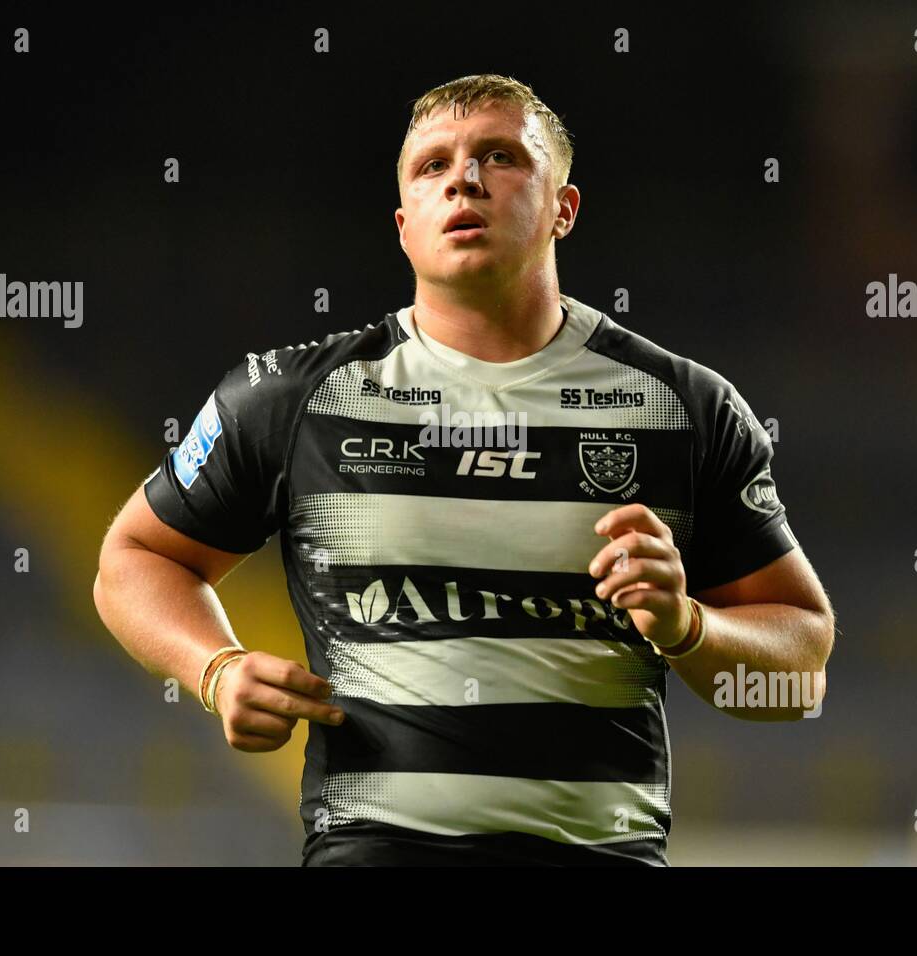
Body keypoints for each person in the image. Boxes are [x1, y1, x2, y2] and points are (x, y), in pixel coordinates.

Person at [93, 73, 835, 866]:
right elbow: (133, 559)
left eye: (500, 157)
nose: (465, 179)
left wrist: (690, 627)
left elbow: (800, 677)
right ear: (404, 224)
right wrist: (216, 669)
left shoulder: (680, 408)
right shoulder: (292, 396)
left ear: (564, 208)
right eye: (432, 166)